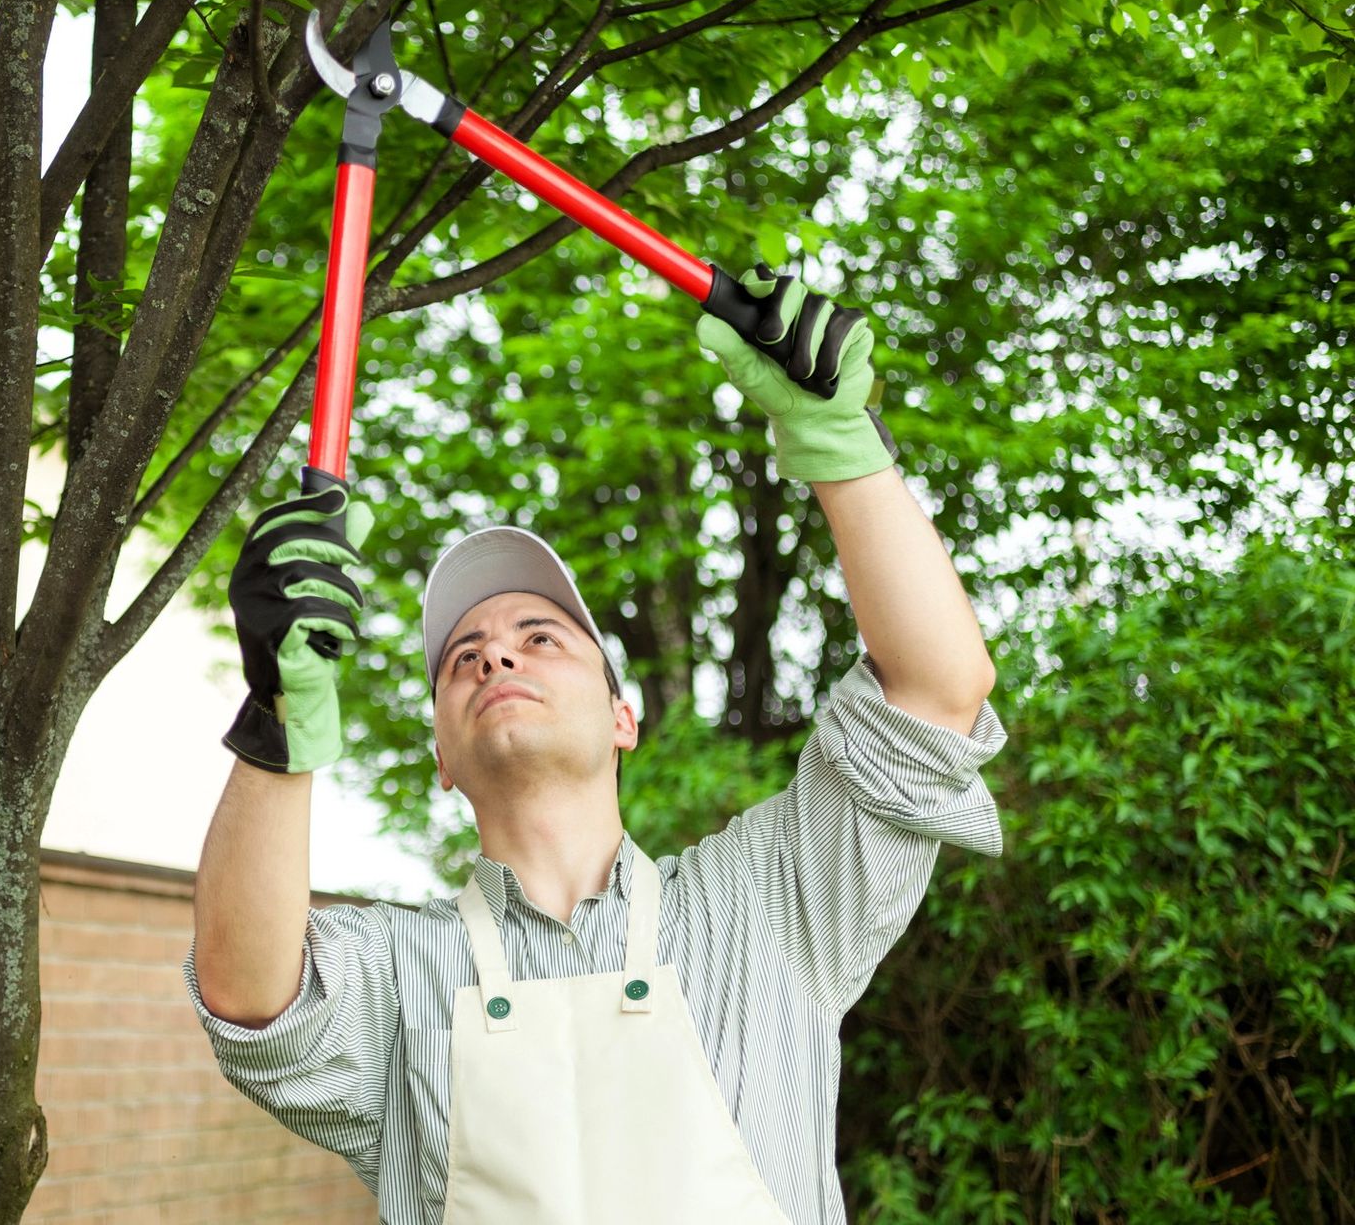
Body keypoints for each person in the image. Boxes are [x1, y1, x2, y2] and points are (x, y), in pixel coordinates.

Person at [185, 266, 1007, 1224]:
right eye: (464, 658)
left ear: (625, 719)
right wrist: (278, 718)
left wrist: (842, 449)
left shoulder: (767, 905)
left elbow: (936, 694)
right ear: (442, 761)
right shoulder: (398, 976)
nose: (496, 655)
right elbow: (250, 997)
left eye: (541, 638)